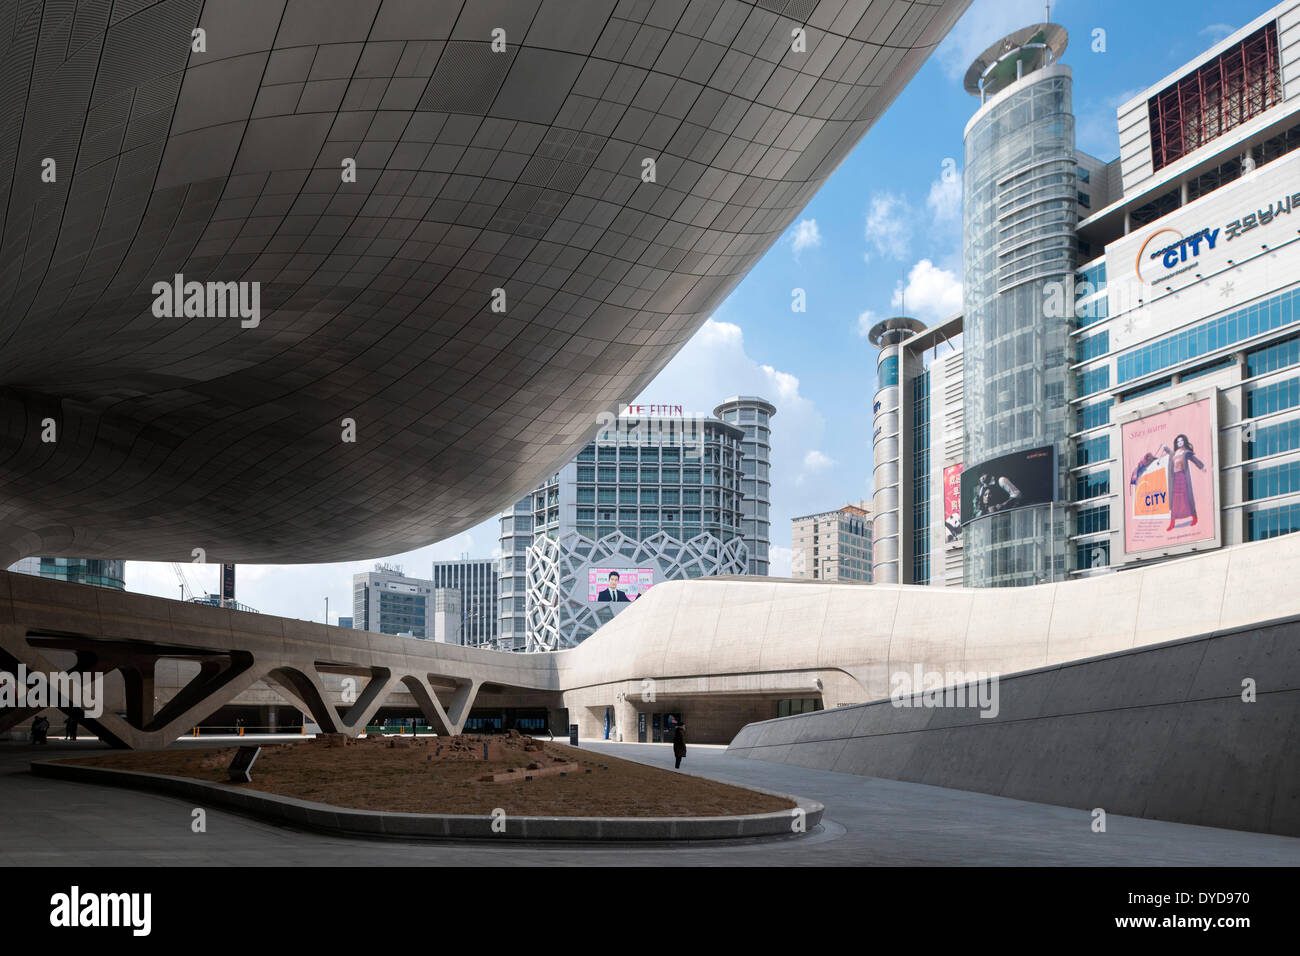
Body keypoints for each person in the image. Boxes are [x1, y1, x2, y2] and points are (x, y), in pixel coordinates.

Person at [1161, 434, 1207, 532]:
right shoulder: (1175, 453)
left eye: (1181, 441)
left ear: (1184, 441)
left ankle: (1194, 517)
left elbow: (1194, 459)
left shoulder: (1186, 452)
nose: (1179, 443)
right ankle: (1172, 522)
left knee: (1187, 498)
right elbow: (1170, 452)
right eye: (1178, 441)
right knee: (1175, 501)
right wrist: (1164, 447)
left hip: (1183, 477)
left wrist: (1202, 466)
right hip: (1175, 479)